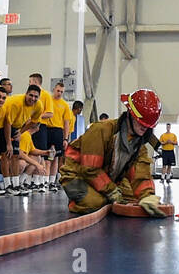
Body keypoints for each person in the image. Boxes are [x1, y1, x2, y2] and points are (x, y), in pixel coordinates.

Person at [61, 88, 166, 216]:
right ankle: (76, 201)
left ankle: (102, 192)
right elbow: (90, 169)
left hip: (105, 177)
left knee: (133, 199)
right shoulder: (100, 130)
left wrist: (147, 195)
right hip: (77, 175)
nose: (144, 129)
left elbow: (141, 174)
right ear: (130, 115)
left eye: (148, 126)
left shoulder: (138, 145)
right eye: (141, 123)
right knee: (96, 203)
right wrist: (111, 191)